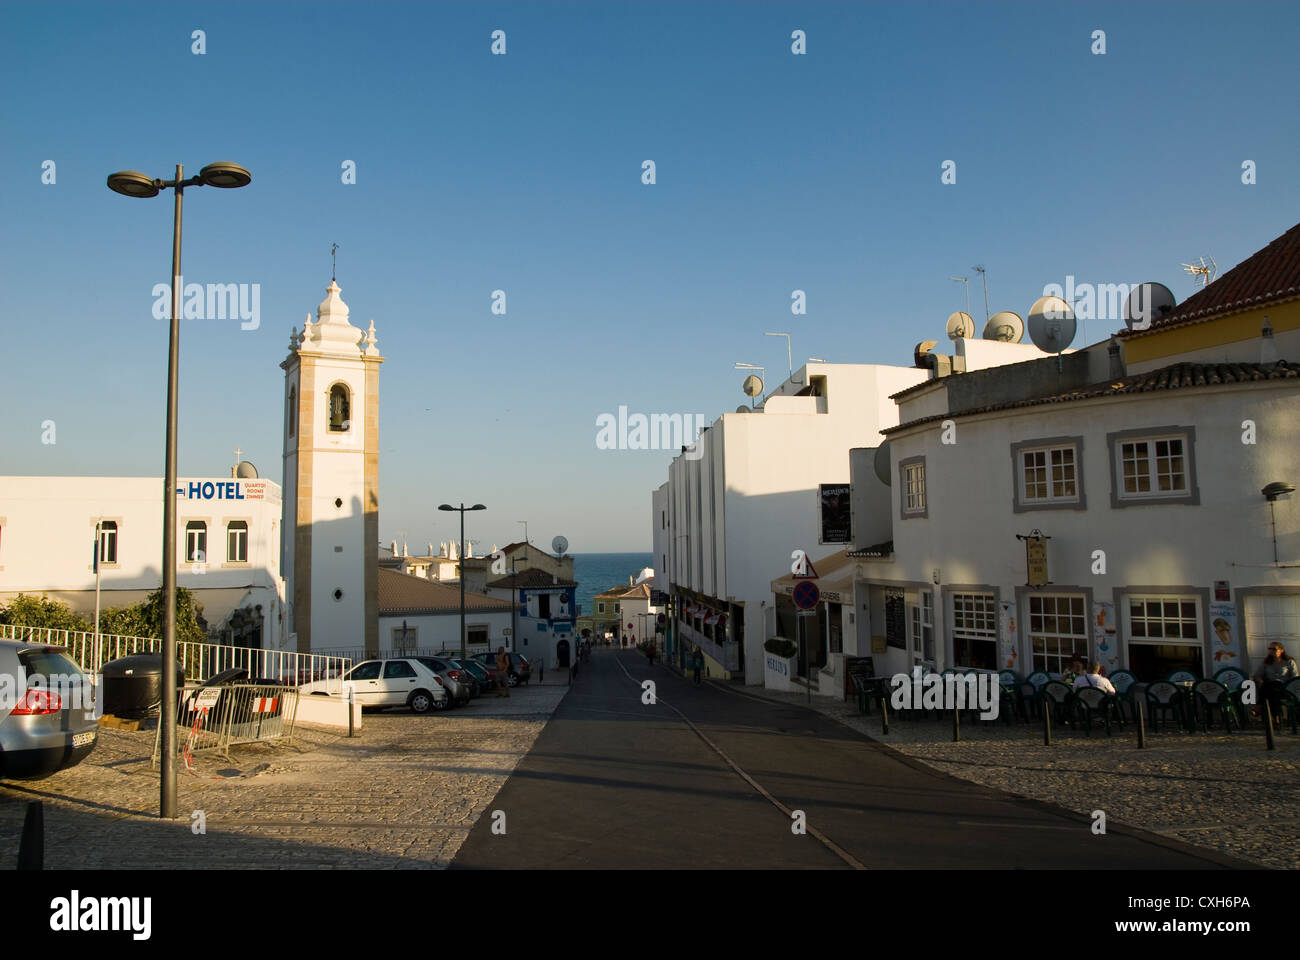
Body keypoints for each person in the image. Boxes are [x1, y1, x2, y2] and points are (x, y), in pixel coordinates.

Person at [1254, 642, 1298, 723]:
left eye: (1274, 649)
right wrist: (1259, 680)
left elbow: (1295, 677)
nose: (1271, 651)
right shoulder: (1266, 662)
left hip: (1285, 688)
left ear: (1281, 650)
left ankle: (1259, 707)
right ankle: (1276, 718)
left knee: (1269, 688)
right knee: (1271, 691)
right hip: (1270, 688)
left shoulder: (1289, 662)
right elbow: (1257, 675)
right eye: (1269, 649)